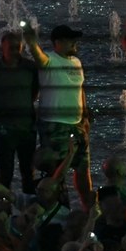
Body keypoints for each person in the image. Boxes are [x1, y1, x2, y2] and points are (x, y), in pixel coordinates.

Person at [25, 24, 92, 210]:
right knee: (56, 172)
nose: (74, 43)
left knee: (82, 169)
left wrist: (85, 117)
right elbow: (39, 57)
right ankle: (58, 209)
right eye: (71, 40)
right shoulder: (50, 61)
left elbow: (80, 89)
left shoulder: (76, 62)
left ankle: (88, 209)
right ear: (58, 43)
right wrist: (31, 42)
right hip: (55, 126)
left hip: (77, 125)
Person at [0, 29, 39, 192]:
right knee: (5, 171)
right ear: (2, 48)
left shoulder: (30, 67)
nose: (14, 51)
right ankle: (4, 208)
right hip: (4, 127)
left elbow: (35, 91)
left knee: (28, 170)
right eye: (10, 47)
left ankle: (28, 206)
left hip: (27, 128)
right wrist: (0, 109)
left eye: (17, 47)